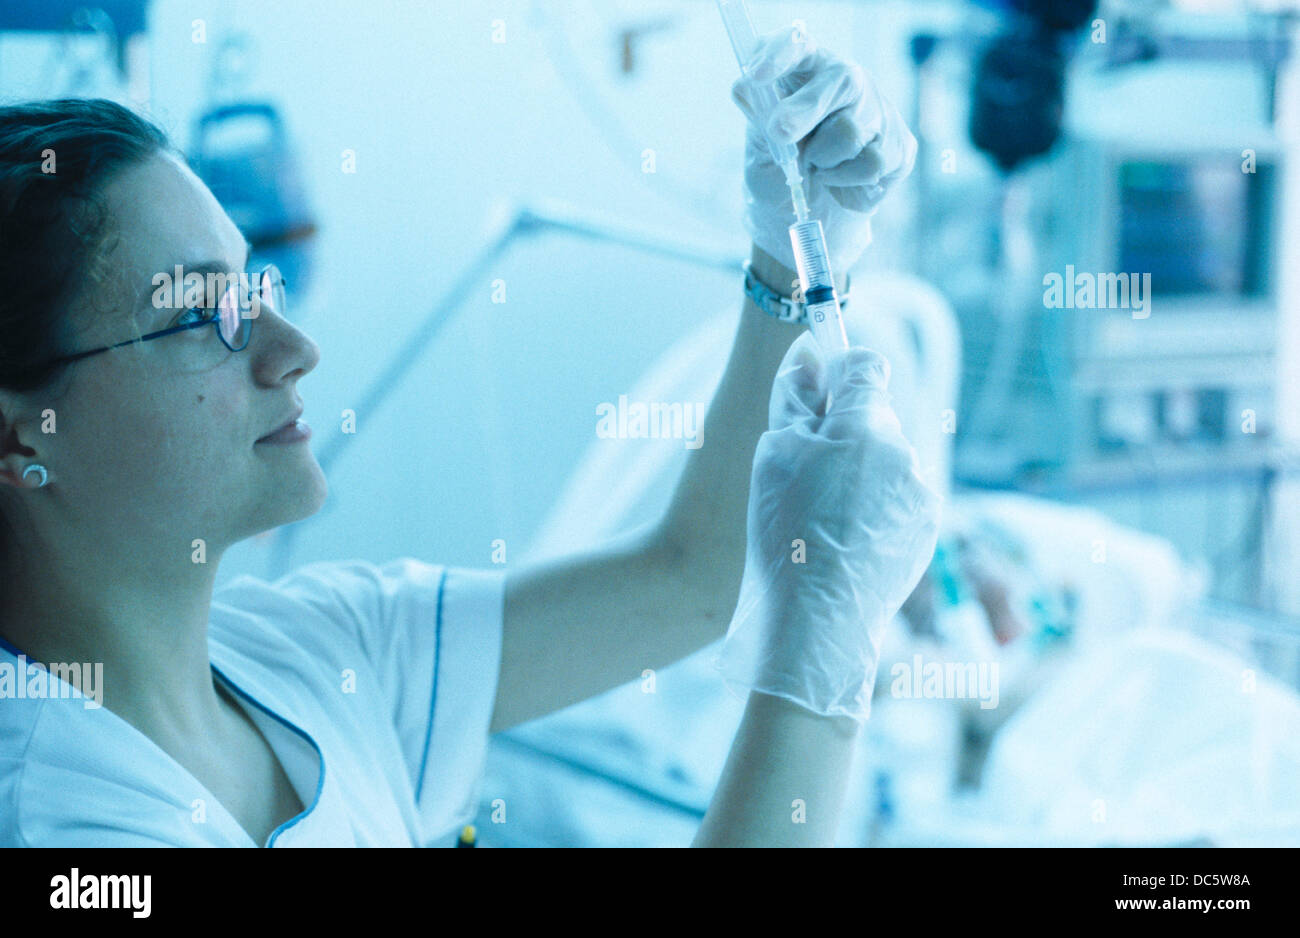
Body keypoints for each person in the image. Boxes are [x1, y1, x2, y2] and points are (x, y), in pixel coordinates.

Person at [0, 25, 935, 847]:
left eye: (257, 290)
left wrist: (789, 253)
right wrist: (824, 658)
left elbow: (688, 582)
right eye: (202, 315)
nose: (295, 349)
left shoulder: (308, 659)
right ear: (18, 441)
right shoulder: (64, 826)